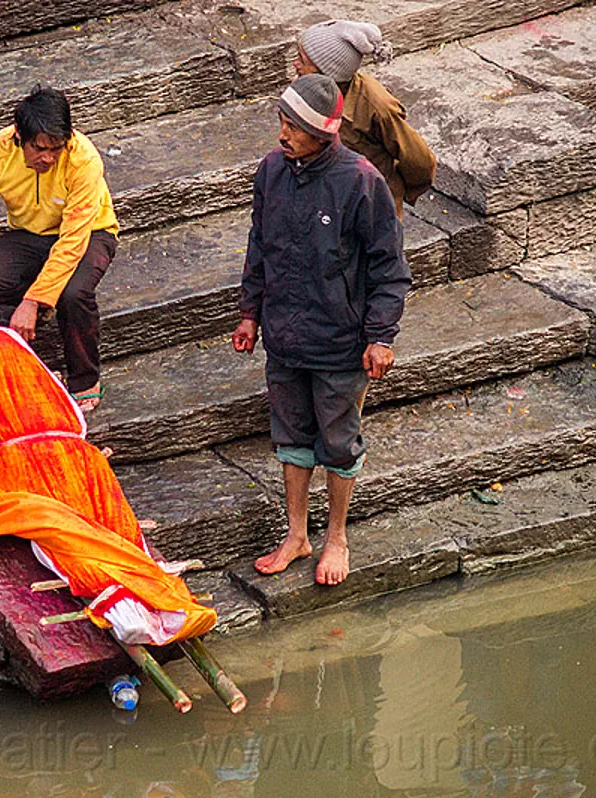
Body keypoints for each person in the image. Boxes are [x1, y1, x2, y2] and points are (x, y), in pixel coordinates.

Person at [0, 288, 215, 645]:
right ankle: (168, 604)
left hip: (18, 460)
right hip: (76, 448)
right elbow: (59, 395)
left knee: (62, 537)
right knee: (119, 531)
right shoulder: (4, 335)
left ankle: (126, 615)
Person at [232, 74, 411, 586]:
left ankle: (336, 537)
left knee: (337, 440)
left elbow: (389, 268)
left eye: (293, 127)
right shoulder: (272, 172)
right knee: (291, 435)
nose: (283, 135)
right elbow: (259, 244)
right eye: (281, 123)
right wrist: (250, 313)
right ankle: (296, 534)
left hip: (339, 341)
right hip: (286, 336)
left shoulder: (360, 182)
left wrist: (381, 336)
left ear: (321, 134)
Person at [0, 85, 119, 412]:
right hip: (30, 234)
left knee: (74, 294)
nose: (47, 157)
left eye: (56, 149)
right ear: (20, 136)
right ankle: (45, 301)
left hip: (90, 232)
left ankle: (85, 379)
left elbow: (72, 241)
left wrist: (33, 300)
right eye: (39, 148)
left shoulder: (84, 159)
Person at [295, 19, 436, 218]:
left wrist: (393, 189)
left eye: (302, 60)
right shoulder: (307, 89)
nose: (296, 65)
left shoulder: (377, 107)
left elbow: (419, 162)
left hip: (371, 207)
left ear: (327, 72)